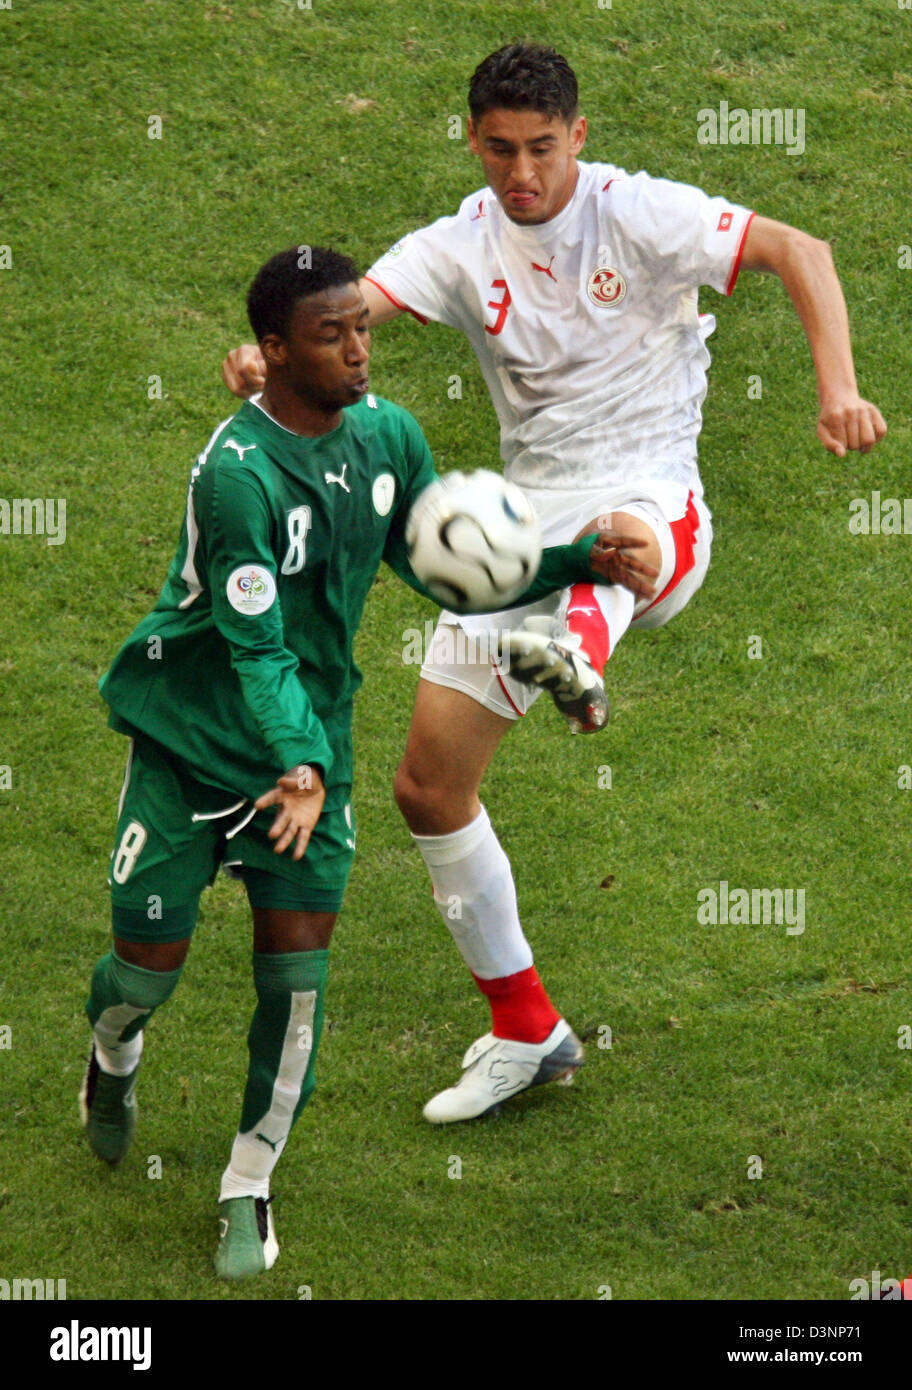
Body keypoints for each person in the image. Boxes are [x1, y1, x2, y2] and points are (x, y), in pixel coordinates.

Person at [221, 44, 887, 1126]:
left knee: (621, 538)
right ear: (474, 141)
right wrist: (266, 362)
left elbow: (799, 249)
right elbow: (355, 307)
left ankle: (577, 652)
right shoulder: (463, 242)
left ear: (578, 134)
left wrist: (838, 389)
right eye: (499, 149)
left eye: (541, 147)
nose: (520, 170)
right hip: (525, 530)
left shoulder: (640, 213)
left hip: (649, 504)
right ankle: (528, 1029)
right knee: (428, 787)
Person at [80, 245, 639, 1278]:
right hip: (192, 752)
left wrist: (574, 563)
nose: (358, 349)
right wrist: (287, 760)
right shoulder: (235, 478)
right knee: (141, 977)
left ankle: (248, 1182)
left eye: (364, 327)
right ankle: (113, 1054)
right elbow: (257, 647)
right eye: (332, 334)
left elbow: (446, 569)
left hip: (312, 763)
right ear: (275, 350)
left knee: (292, 985)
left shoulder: (387, 438)